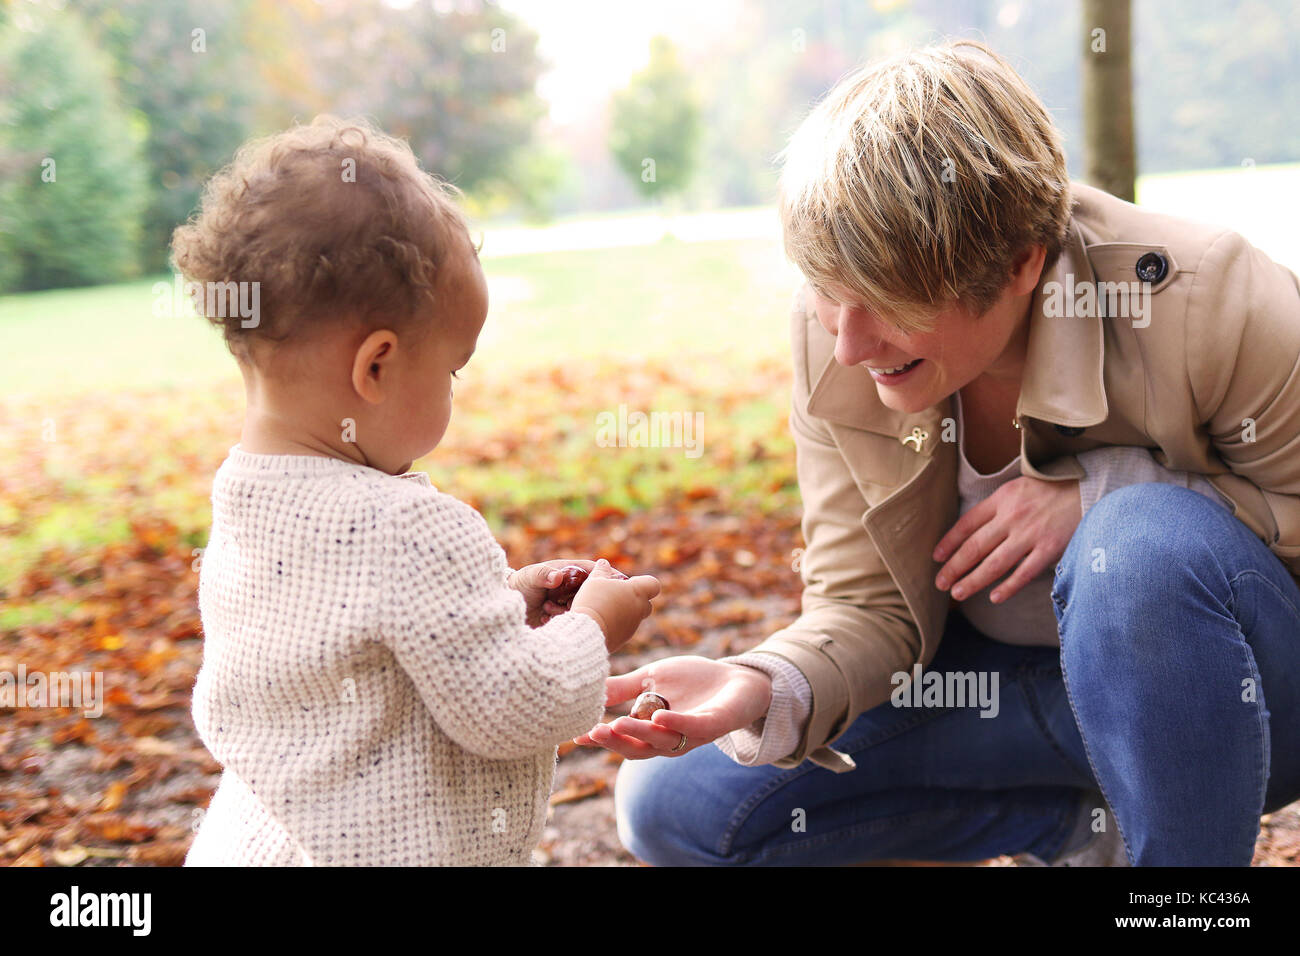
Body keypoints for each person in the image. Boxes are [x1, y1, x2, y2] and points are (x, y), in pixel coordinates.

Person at [579, 39, 1300, 866]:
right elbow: (867, 605)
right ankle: (1079, 828)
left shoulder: (1209, 301)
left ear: (1024, 263)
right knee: (679, 804)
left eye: (887, 303)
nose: (848, 345)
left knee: (1132, 550)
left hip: (1255, 708)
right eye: (827, 292)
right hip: (1009, 705)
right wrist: (765, 683)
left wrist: (1100, 494)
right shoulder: (840, 339)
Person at [174, 115, 660, 865]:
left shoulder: (243, 496)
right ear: (375, 368)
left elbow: (358, 639)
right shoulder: (409, 526)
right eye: (452, 370)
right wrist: (593, 625)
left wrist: (501, 603)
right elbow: (515, 707)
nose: (455, 391)